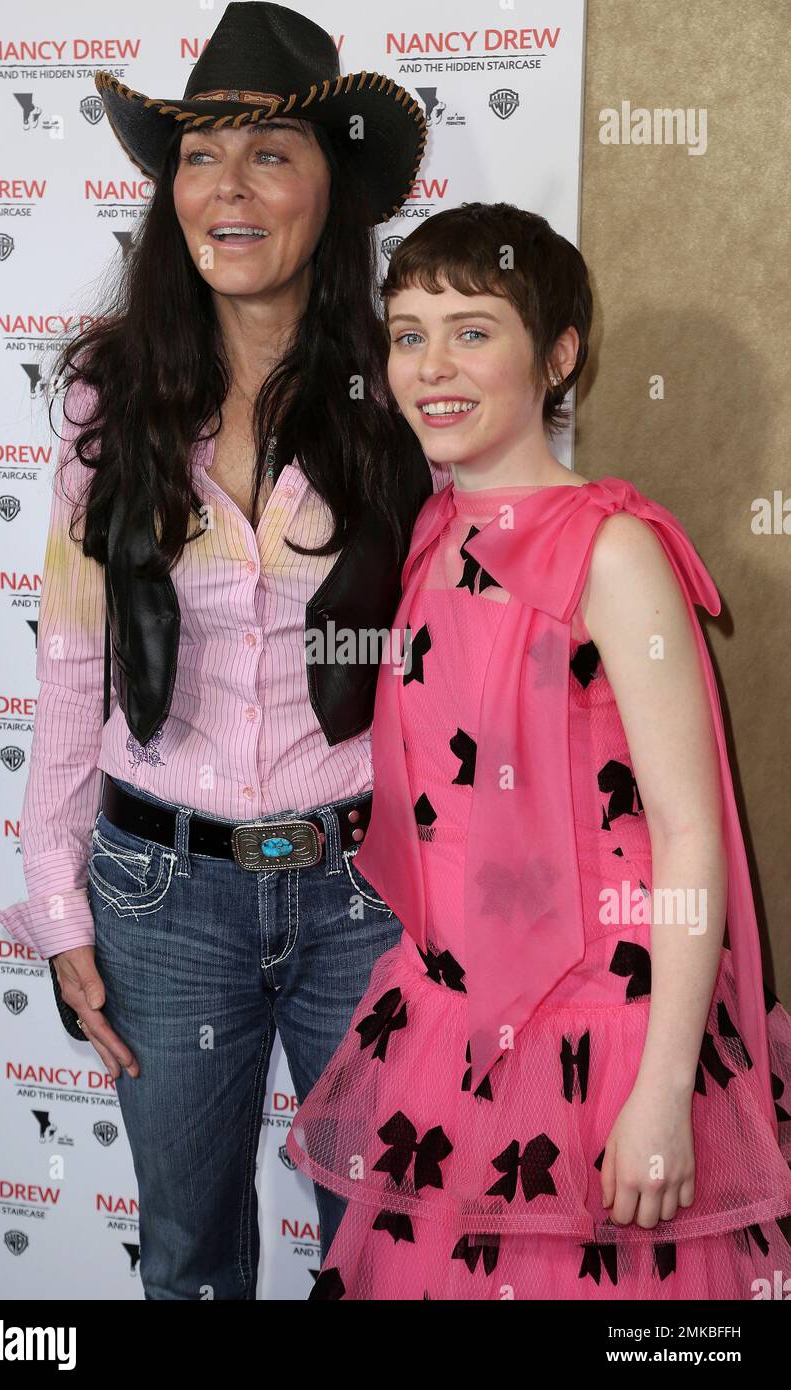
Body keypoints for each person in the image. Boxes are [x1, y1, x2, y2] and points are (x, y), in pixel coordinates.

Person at [0, 2, 441, 1299]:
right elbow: (73, 669)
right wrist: (59, 904)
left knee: (380, 1256)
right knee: (189, 1263)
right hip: (157, 901)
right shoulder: (106, 398)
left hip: (373, 898)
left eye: (267, 152)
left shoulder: (406, 398)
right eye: (198, 155)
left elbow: (459, 669)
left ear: (333, 194)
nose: (225, 188)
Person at [286, 201, 791, 1299]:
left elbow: (690, 831)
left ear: (557, 356)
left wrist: (661, 1088)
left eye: (472, 329)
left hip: (603, 1043)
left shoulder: (611, 549)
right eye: (409, 332)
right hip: (452, 1033)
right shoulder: (432, 531)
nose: (431, 364)